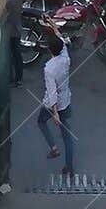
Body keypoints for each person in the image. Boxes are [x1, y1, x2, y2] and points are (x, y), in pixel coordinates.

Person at [36, 32, 75, 176]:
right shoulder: (66, 59)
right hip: (65, 100)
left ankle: (53, 147)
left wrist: (55, 113)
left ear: (50, 50)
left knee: (41, 122)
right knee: (67, 136)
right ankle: (69, 167)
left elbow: (52, 92)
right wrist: (53, 25)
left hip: (53, 104)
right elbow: (62, 42)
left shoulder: (49, 69)